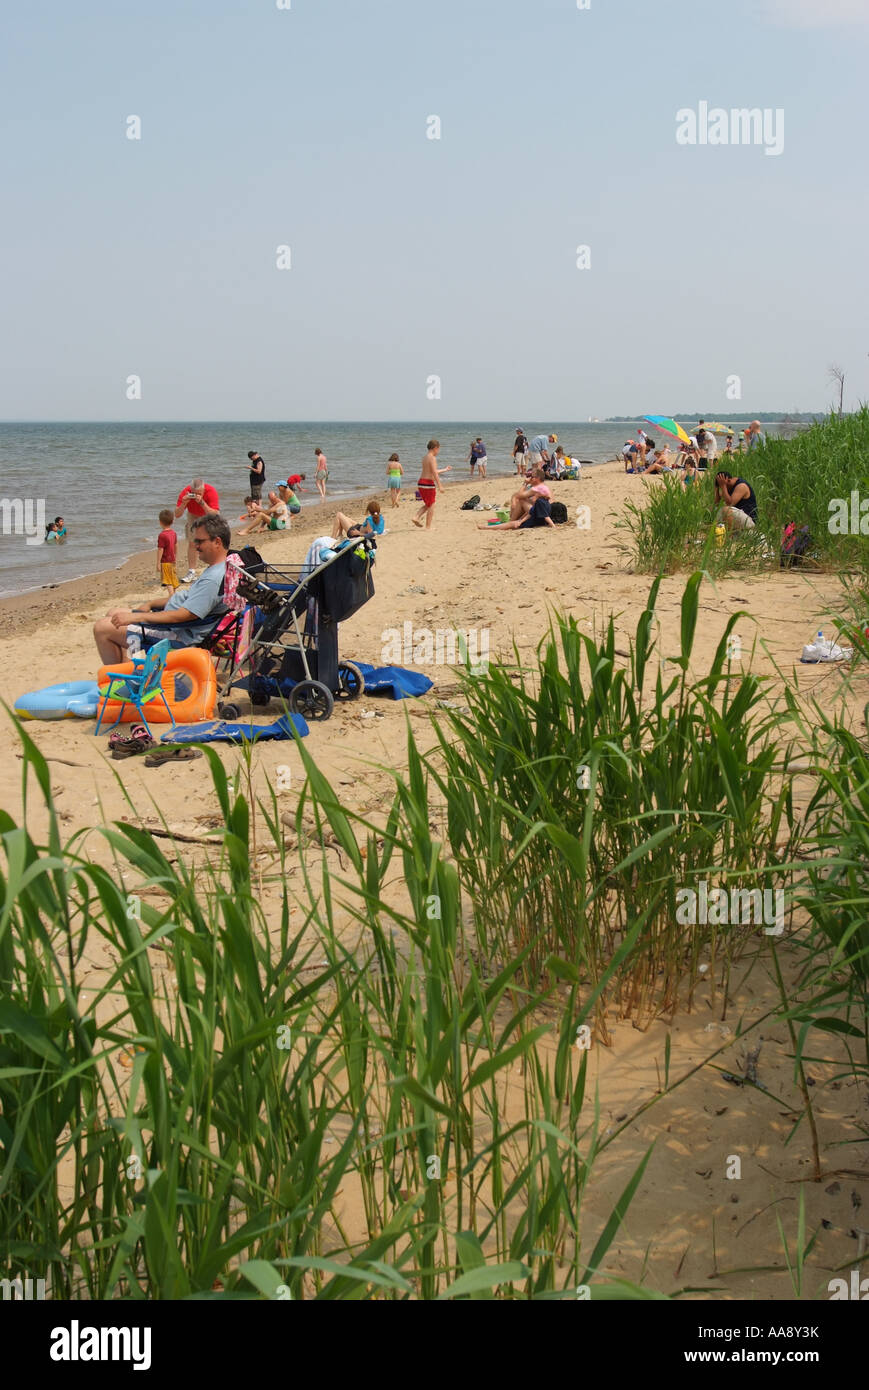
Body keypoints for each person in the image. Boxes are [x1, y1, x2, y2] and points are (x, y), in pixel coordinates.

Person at [93, 514, 230, 664]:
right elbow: (187, 600)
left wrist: (137, 617)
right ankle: (125, 670)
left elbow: (183, 615)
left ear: (217, 542)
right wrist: (151, 604)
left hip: (178, 635)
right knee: (113, 613)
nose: (195, 545)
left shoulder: (213, 580)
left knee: (102, 628)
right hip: (175, 625)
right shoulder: (221, 568)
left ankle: (117, 676)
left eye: (199, 541)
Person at [175, 478, 220, 582]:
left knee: (213, 542)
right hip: (193, 515)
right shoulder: (185, 492)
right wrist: (183, 503)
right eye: (193, 493)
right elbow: (177, 515)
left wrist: (202, 503)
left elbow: (215, 514)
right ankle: (192, 571)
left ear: (203, 490)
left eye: (199, 493)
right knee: (192, 543)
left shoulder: (211, 491)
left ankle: (215, 567)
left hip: (209, 514)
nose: (195, 496)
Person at [412, 440, 445, 529]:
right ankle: (428, 527)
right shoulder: (432, 458)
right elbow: (434, 472)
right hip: (428, 484)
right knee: (432, 504)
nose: (438, 452)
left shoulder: (425, 457)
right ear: (435, 448)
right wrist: (440, 485)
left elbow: (431, 471)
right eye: (438, 449)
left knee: (428, 504)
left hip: (421, 482)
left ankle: (416, 517)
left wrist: (445, 469)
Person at [478, 494, 555, 531]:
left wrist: (553, 526)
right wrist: (520, 520)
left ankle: (486, 527)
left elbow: (545, 516)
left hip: (533, 522)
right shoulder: (545, 502)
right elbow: (530, 513)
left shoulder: (539, 502)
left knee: (510, 524)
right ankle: (487, 527)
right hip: (534, 521)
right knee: (513, 523)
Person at [156, 509, 179, 591]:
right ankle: (174, 595)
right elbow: (176, 545)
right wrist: (175, 555)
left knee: (167, 580)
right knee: (173, 578)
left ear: (160, 522)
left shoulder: (162, 535)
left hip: (165, 561)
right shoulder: (173, 533)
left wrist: (158, 562)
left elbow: (160, 549)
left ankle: (171, 596)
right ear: (172, 521)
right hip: (172, 560)